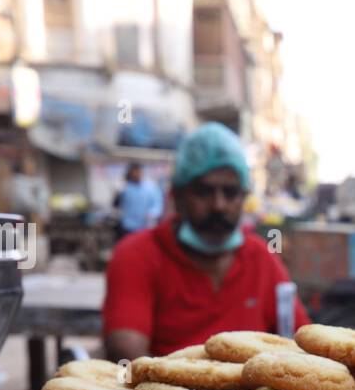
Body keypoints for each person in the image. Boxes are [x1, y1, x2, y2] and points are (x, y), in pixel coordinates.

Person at [102, 122, 310, 360]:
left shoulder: (260, 258)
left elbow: (301, 342)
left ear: (243, 197)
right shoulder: (136, 255)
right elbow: (126, 352)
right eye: (203, 191)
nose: (218, 205)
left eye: (230, 192)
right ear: (177, 196)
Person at [114, 164, 164, 238]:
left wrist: (152, 214)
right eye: (133, 174)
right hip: (128, 226)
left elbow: (158, 204)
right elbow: (116, 204)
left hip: (145, 226)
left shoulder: (151, 187)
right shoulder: (125, 188)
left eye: (138, 172)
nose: (136, 175)